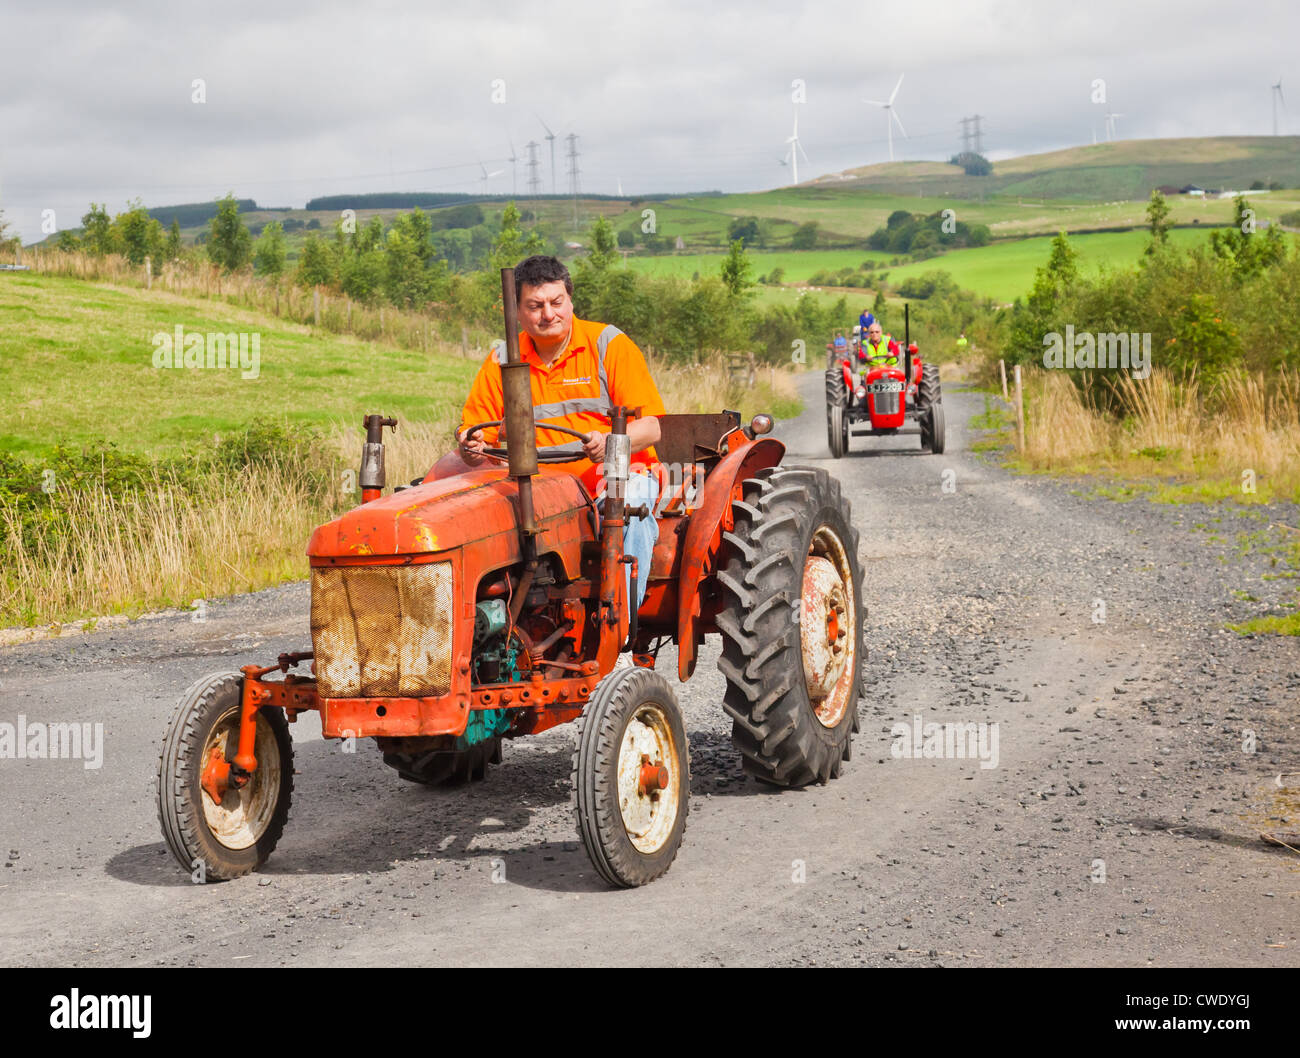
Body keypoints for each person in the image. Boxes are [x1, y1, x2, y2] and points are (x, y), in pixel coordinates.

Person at [458, 255, 664, 607]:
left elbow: (652, 427)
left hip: (609, 478)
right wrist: (470, 444)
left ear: (571, 300)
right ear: (517, 311)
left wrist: (613, 442)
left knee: (628, 510)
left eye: (556, 302)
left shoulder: (607, 344)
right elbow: (476, 432)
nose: (548, 314)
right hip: (535, 486)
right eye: (535, 306)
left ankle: (621, 632)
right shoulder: (503, 358)